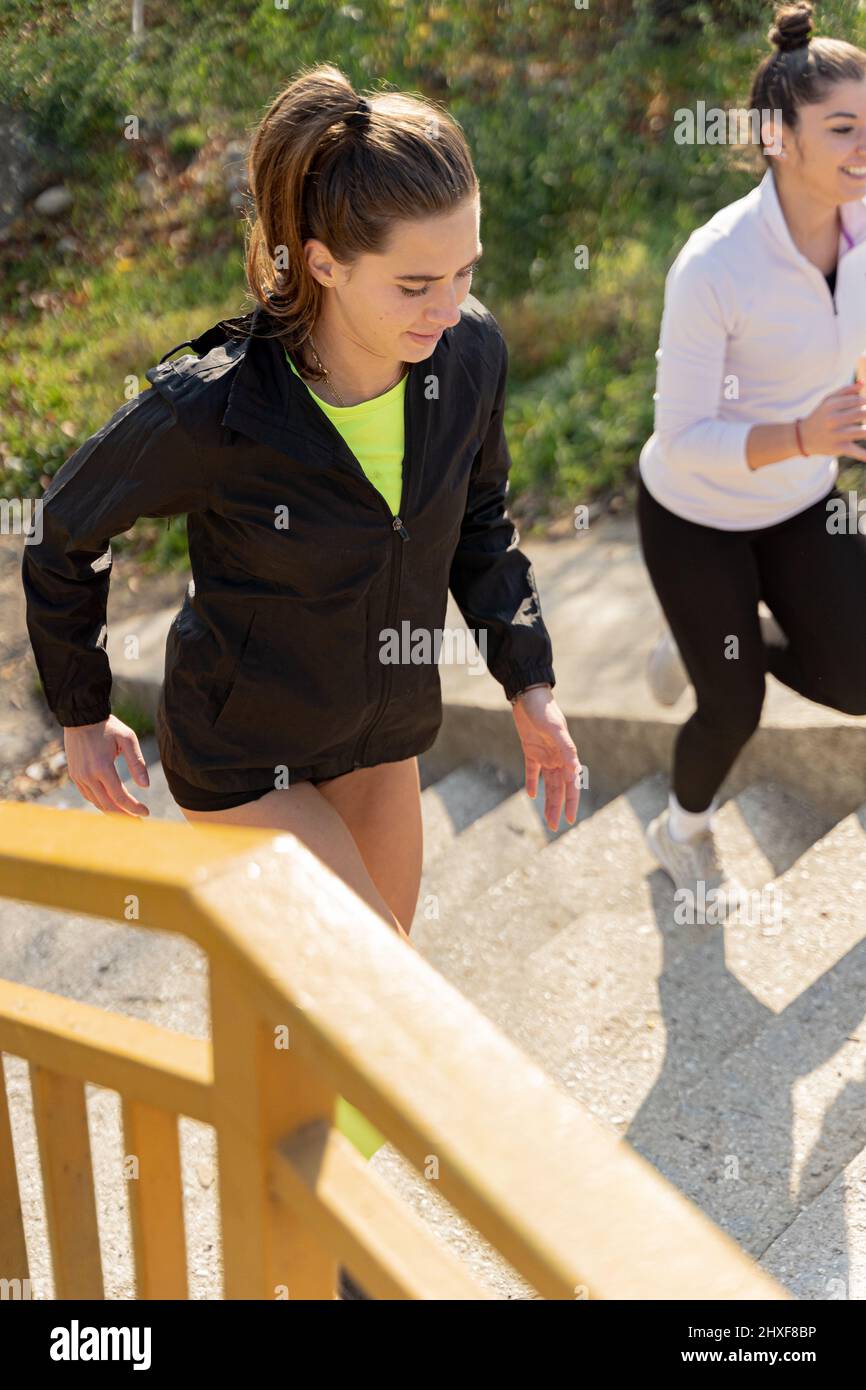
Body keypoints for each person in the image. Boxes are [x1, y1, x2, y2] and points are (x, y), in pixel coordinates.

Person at [21, 64, 582, 1299]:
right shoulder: (214, 408)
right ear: (322, 261)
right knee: (383, 1013)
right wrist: (79, 712)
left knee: (325, 1045)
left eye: (468, 269)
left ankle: (300, 1233)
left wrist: (530, 688)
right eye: (416, 282)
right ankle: (357, 1273)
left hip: (382, 738)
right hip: (244, 753)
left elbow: (481, 526)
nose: (453, 304)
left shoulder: (465, 358)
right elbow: (63, 532)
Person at [638, 1, 866, 902]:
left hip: (805, 498)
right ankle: (680, 830)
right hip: (698, 513)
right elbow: (683, 438)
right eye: (843, 128)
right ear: (777, 137)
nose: (865, 146)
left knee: (857, 681)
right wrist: (804, 433)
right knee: (733, 705)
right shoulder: (713, 265)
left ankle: (709, 641)